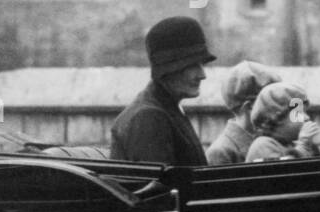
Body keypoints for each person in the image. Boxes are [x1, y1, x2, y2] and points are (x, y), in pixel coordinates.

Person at [110, 16, 215, 165]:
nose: (202, 75)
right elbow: (160, 185)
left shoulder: (164, 108)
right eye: (192, 65)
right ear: (169, 69)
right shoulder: (148, 117)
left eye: (202, 64)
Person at [207, 61, 282, 165]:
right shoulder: (221, 152)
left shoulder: (273, 140)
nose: (279, 110)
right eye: (272, 103)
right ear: (250, 107)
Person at [245, 82, 320, 162]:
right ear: (277, 118)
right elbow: (285, 170)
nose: (307, 117)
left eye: (305, 112)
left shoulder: (292, 144)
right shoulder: (263, 145)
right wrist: (303, 146)